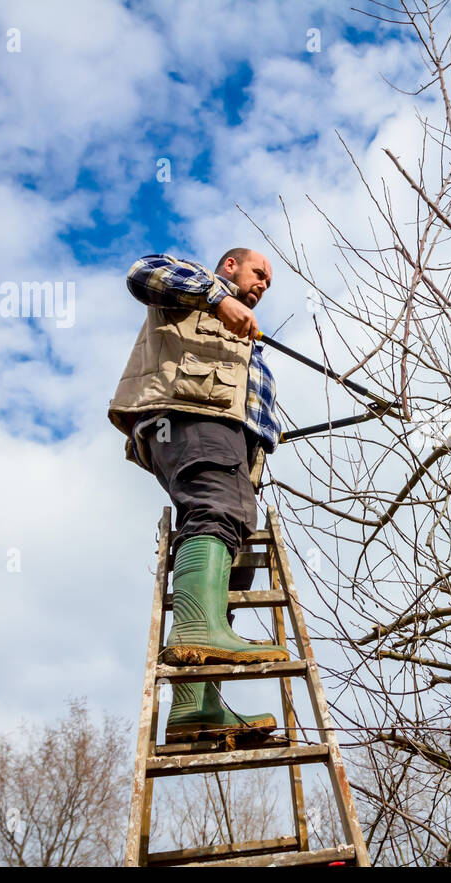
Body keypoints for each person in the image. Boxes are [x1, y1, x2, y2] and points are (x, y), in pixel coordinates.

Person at [108, 248, 286, 745]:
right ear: (230, 266)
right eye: (258, 273)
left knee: (234, 562)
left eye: (269, 282)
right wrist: (216, 298)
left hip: (226, 438)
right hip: (187, 417)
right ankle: (193, 634)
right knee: (215, 510)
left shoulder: (247, 332)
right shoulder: (194, 288)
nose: (263, 285)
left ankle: (194, 708)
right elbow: (141, 271)